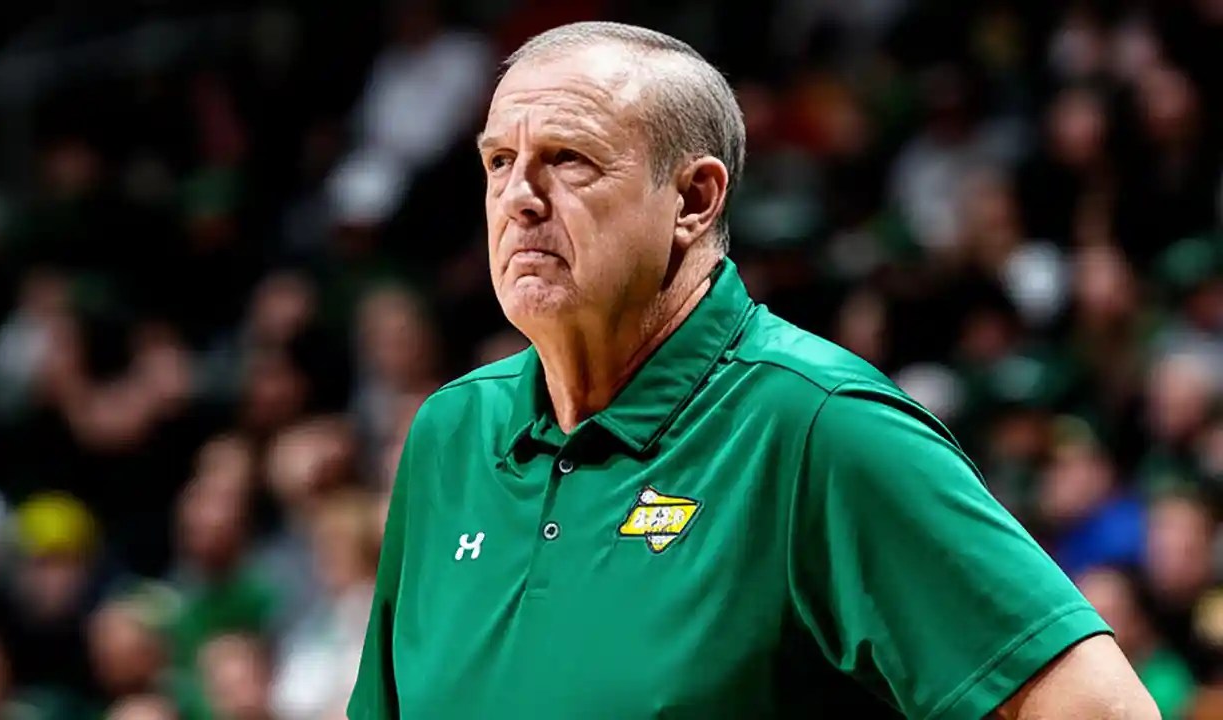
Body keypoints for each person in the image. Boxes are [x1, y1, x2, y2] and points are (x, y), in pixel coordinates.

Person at [348, 20, 1157, 720]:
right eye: (497, 161)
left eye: (569, 159)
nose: (518, 197)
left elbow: (1101, 707)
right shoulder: (447, 434)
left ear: (694, 200)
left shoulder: (819, 426)